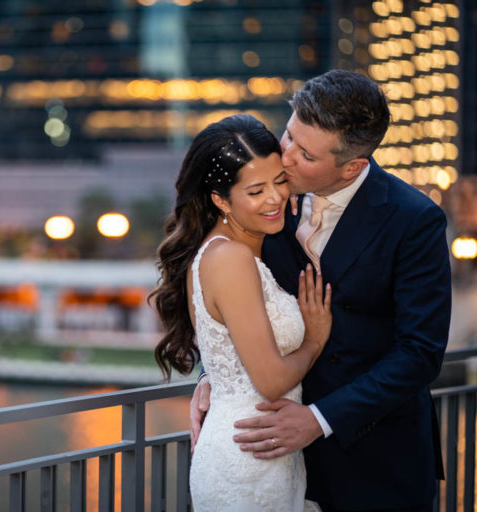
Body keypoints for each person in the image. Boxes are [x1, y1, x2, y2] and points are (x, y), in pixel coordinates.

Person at [190, 70, 451, 511]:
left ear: (352, 166)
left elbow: (420, 352)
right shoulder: (266, 202)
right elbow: (230, 296)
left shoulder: (414, 220)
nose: (285, 158)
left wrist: (319, 419)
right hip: (276, 459)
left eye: (305, 154)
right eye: (288, 135)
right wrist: (214, 374)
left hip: (377, 461)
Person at [151, 113, 332, 511]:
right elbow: (269, 380)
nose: (275, 198)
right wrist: (316, 338)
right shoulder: (230, 258)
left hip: (270, 451)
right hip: (245, 459)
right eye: (256, 190)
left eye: (280, 181)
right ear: (220, 199)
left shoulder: (246, 248)